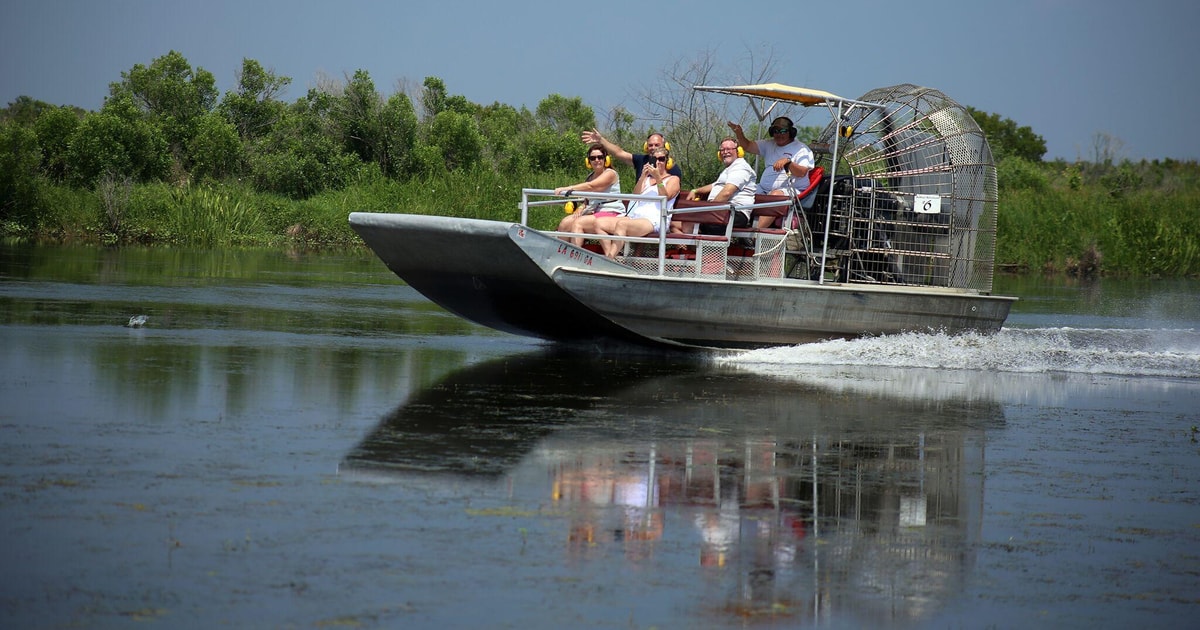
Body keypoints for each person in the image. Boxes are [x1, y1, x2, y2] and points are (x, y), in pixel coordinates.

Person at [590, 146, 680, 259]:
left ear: (667, 161)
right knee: (598, 223)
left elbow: (665, 197)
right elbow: (635, 196)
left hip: (654, 221)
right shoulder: (647, 180)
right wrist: (642, 177)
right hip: (636, 218)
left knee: (622, 225)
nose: (658, 162)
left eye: (661, 159)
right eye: (654, 159)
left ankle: (610, 258)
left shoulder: (673, 179)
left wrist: (658, 178)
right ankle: (613, 260)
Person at [728, 116, 815, 227]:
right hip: (764, 189)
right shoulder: (769, 144)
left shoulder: (801, 149)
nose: (779, 134)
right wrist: (739, 133)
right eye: (776, 131)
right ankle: (733, 227)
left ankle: (756, 233)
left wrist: (788, 162)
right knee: (743, 191)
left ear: (791, 132)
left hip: (793, 190)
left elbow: (802, 172)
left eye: (783, 131)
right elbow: (748, 146)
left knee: (775, 195)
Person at [682, 137, 757, 232]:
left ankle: (706, 246)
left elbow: (727, 192)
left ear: (738, 151)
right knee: (685, 218)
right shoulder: (729, 169)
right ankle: (693, 245)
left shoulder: (741, 167)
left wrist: (709, 209)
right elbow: (715, 185)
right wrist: (695, 191)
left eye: (729, 149)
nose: (725, 152)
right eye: (722, 149)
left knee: (695, 219)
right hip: (722, 209)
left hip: (736, 212)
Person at [554, 144, 624, 236]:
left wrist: (568, 188)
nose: (596, 160)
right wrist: (581, 207)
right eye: (593, 158)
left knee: (578, 223)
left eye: (600, 157)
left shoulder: (610, 174)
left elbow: (592, 186)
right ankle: (562, 249)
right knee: (565, 223)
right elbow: (588, 199)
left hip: (610, 211)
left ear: (606, 159)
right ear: (588, 161)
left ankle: (576, 249)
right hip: (594, 210)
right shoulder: (590, 177)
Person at [580, 129, 683, 180]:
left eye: (657, 145)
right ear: (646, 147)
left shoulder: (672, 168)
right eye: (650, 145)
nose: (653, 148)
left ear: (666, 146)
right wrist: (601, 140)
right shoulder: (641, 160)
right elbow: (619, 152)